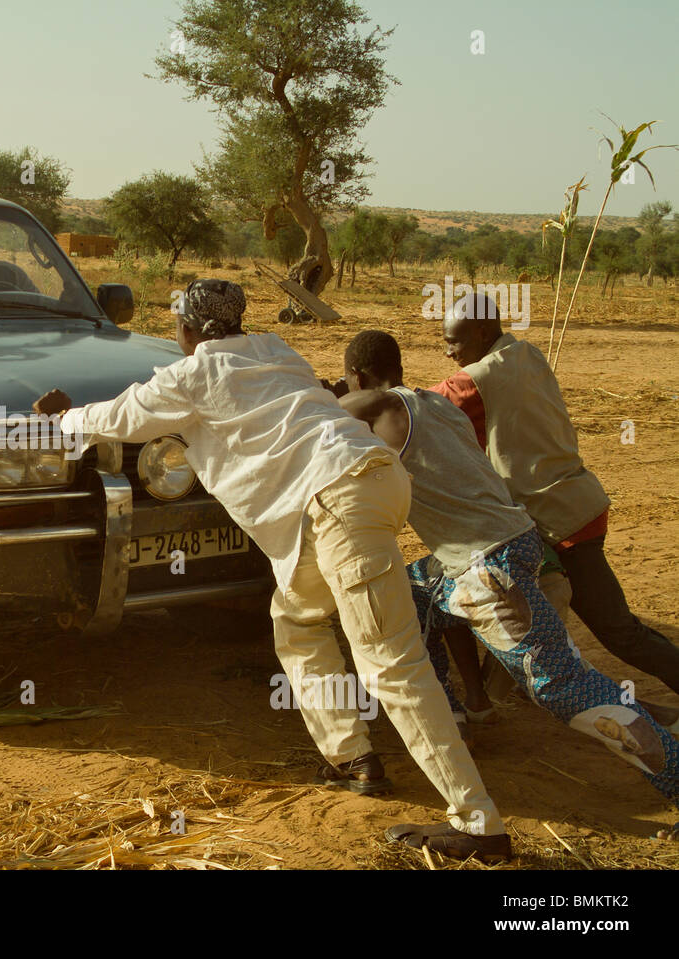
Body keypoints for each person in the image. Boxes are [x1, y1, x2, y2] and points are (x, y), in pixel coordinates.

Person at [33, 279, 511, 863]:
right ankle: (353, 756)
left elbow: (119, 416)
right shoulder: (278, 349)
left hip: (338, 497)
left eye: (175, 325)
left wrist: (62, 418)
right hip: (358, 489)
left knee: (392, 662)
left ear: (185, 329)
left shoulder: (192, 376)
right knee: (297, 620)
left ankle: (479, 823)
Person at [339, 330, 679, 827]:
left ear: (360, 375)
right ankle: (454, 714)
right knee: (410, 592)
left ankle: (673, 772)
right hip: (511, 545)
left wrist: (328, 393)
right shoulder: (438, 405)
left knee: (563, 687)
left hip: (488, 567)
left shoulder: (379, 405)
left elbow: (341, 410)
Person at [432, 293, 679, 697]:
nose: (448, 351)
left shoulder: (480, 377)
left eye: (454, 341)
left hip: (561, 520)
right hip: (570, 503)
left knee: (619, 632)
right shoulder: (525, 353)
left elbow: (419, 409)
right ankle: (508, 688)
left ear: (479, 332)